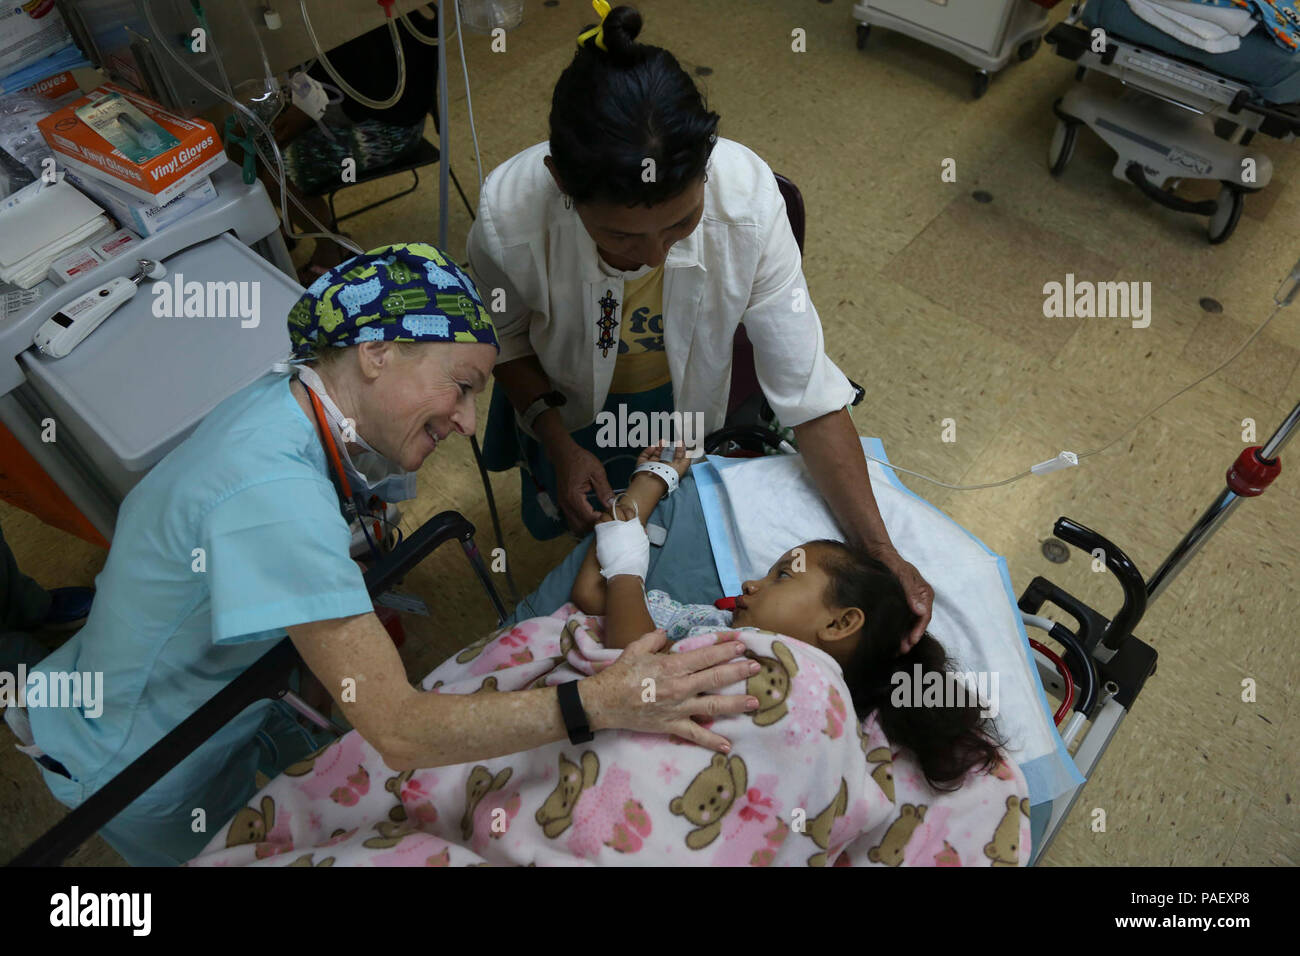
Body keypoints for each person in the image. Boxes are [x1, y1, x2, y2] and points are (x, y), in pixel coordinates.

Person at [13, 243, 761, 866]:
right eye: (462, 388)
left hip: (215, 693)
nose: (469, 423)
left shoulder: (291, 398)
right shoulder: (270, 492)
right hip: (142, 762)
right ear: (375, 352)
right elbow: (398, 729)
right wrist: (598, 702)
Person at [469, 3, 934, 649]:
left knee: (656, 500)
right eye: (620, 236)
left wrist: (878, 549)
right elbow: (508, 339)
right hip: (563, 396)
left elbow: (807, 394)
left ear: (708, 168)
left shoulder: (749, 205)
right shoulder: (507, 217)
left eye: (681, 224)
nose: (654, 256)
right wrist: (558, 441)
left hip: (680, 395)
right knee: (580, 508)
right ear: (560, 184)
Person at [573, 445, 1005, 791]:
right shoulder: (714, 625)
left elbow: (634, 669)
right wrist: (649, 485)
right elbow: (595, 596)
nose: (750, 584)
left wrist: (627, 565)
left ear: (839, 624)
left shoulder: (805, 694)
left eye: (781, 576)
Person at [267, 5, 441, 282]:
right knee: (245, 140)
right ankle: (281, 224)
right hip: (391, 113)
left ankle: (330, 248)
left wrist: (301, 114)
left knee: (262, 162)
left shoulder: (348, 23)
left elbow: (366, 93)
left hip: (384, 133)